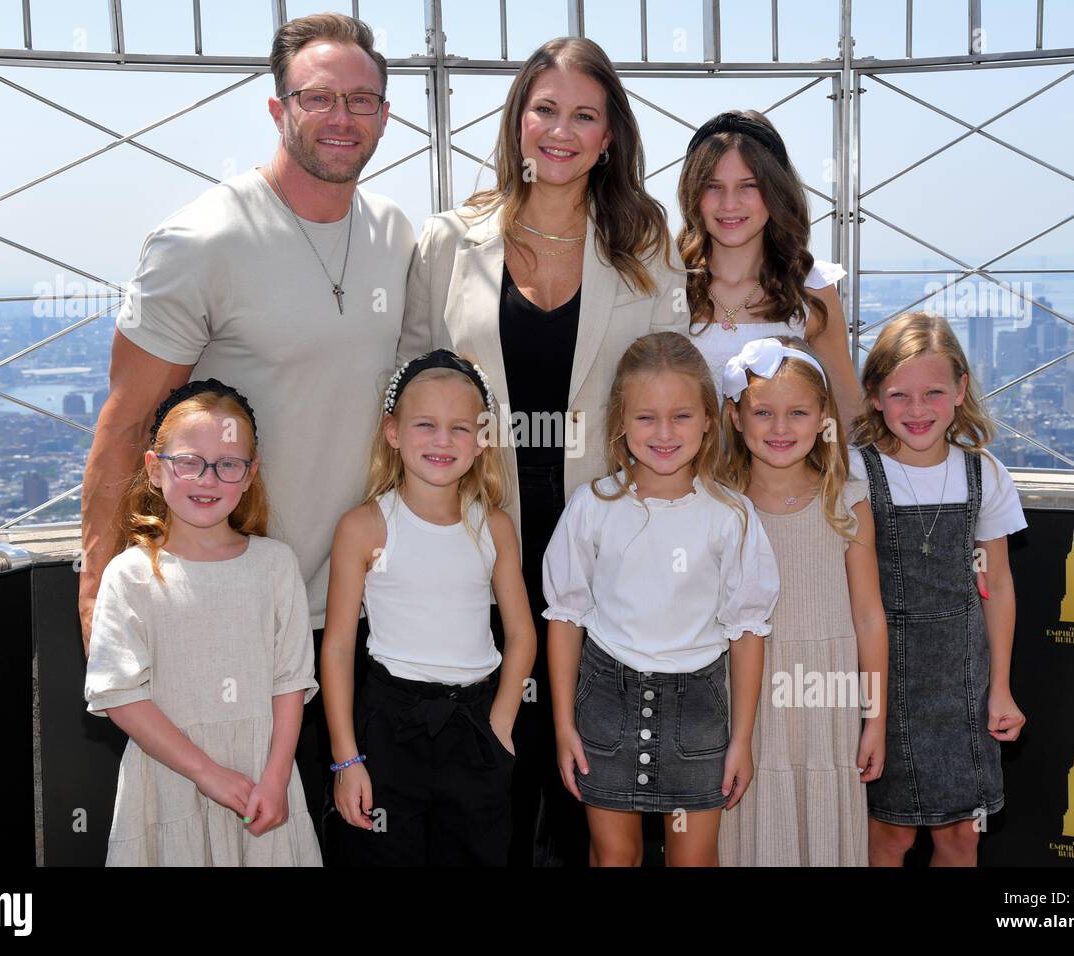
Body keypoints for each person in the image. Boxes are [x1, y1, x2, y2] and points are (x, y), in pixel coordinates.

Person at [78, 13, 414, 834]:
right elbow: (123, 431)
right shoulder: (202, 240)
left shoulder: (397, 236)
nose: (343, 117)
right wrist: (95, 590)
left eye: (363, 99)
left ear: (385, 114)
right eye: (320, 97)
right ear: (276, 110)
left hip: (365, 621)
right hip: (224, 622)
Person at [397, 35, 687, 867]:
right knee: (484, 787)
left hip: (606, 556)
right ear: (519, 120)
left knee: (590, 790)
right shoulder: (449, 242)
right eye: (546, 109)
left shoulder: (645, 248)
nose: (561, 130)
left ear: (609, 137)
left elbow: (673, 394)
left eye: (584, 115)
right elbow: (414, 386)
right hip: (469, 547)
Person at [541, 332, 779, 866]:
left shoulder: (732, 515)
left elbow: (747, 632)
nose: (665, 433)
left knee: (694, 861)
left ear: (710, 422)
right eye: (646, 417)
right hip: (604, 709)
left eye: (682, 417)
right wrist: (563, 726)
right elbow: (566, 617)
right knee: (612, 857)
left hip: (698, 716)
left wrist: (741, 740)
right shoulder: (592, 506)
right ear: (621, 423)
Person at [84, 379, 321, 866]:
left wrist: (276, 779)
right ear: (154, 469)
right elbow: (121, 695)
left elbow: (290, 683)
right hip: (168, 784)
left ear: (250, 473)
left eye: (228, 464)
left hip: (264, 784)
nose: (207, 479)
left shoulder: (275, 565)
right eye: (188, 462)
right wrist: (205, 772)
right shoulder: (129, 575)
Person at [321, 350, 537, 865]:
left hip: (476, 729)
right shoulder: (364, 526)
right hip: (388, 729)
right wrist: (345, 757)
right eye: (426, 425)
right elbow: (336, 648)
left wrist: (501, 723)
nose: (443, 440)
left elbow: (523, 635)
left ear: (483, 439)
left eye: (460, 428)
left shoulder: (496, 526)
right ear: (392, 432)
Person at [849, 312, 1027, 867]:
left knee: (959, 835)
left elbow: (995, 583)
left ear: (961, 391)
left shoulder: (986, 474)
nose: (918, 410)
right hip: (882, 682)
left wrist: (1000, 687)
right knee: (889, 835)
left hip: (962, 687)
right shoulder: (857, 473)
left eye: (933, 392)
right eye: (900, 395)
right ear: (875, 396)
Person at [714, 336, 887, 866]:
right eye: (763, 412)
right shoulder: (720, 503)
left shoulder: (847, 500)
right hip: (747, 689)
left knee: (822, 827)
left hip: (827, 693)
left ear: (822, 419)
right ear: (736, 418)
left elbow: (868, 614)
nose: (781, 428)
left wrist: (875, 717)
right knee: (752, 819)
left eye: (797, 412)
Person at [678, 110, 862, 427]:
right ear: (693, 194)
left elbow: (846, 414)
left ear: (776, 191)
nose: (729, 203)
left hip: (786, 478)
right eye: (713, 186)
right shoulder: (666, 284)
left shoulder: (812, 290)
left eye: (748, 185)